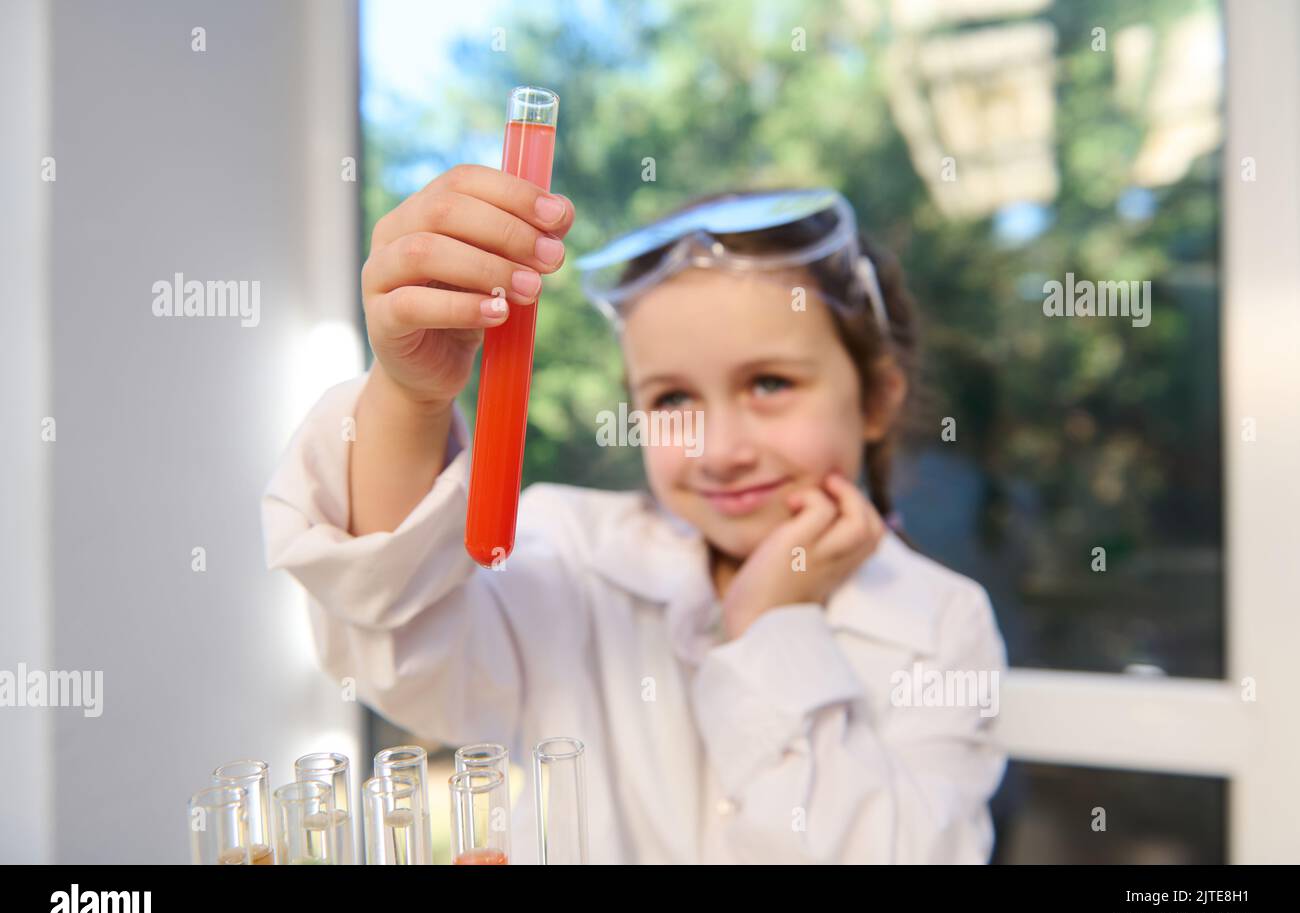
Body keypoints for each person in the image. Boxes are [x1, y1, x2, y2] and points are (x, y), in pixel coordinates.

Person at [262, 165, 1008, 863]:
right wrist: (412, 397)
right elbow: (394, 636)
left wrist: (774, 626)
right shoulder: (575, 555)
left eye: (771, 383)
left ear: (877, 397)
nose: (719, 451)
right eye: (673, 400)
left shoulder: (942, 624)